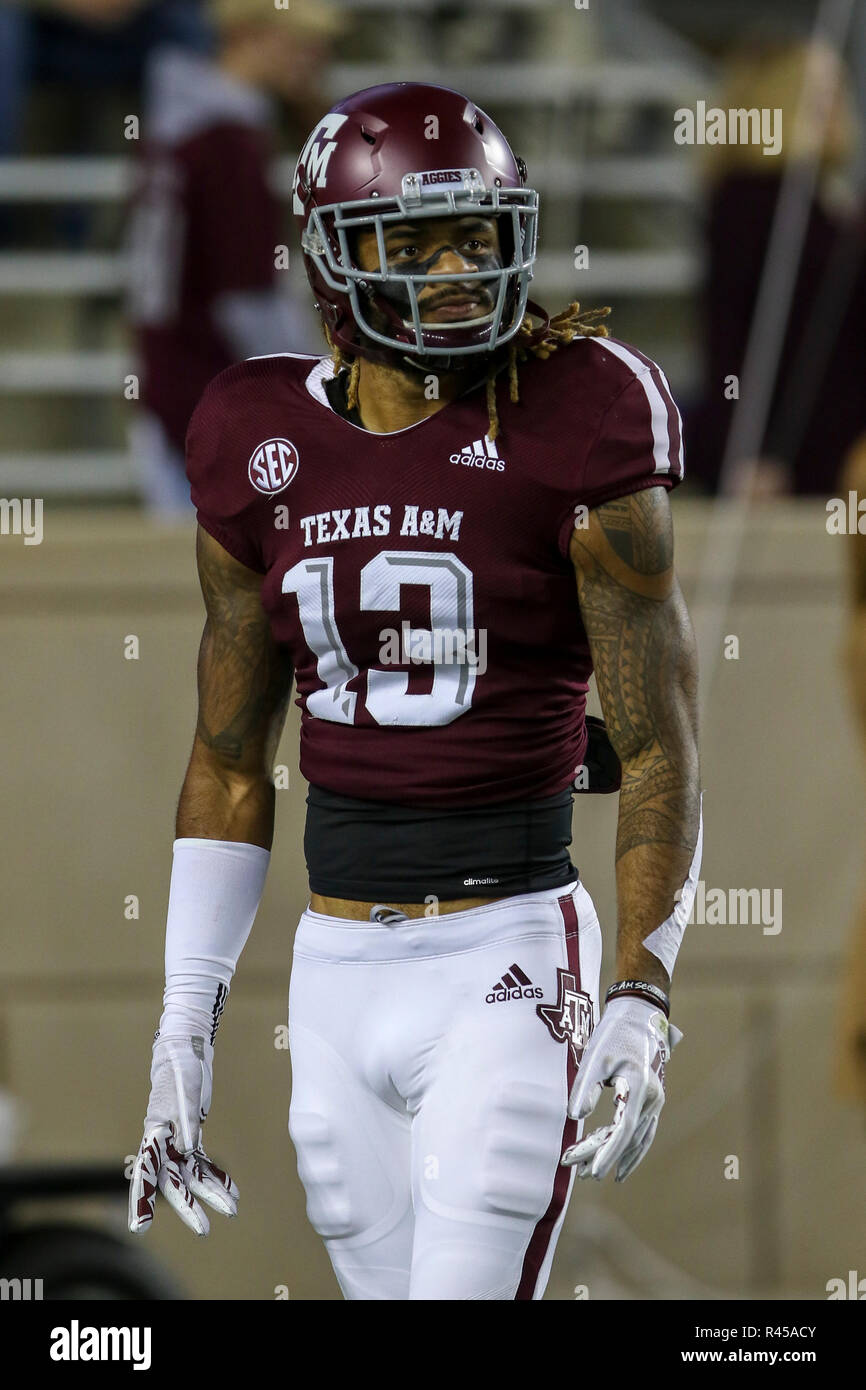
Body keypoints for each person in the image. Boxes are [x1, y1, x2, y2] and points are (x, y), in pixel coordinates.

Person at [127, 81, 703, 1300]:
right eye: (415, 242)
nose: (457, 269)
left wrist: (641, 992)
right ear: (336, 264)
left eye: (477, 235)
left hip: (505, 947)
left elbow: (656, 748)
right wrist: (185, 1016)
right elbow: (230, 753)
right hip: (334, 965)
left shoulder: (582, 414)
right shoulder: (253, 432)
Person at [126, 0, 343, 513]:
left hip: (172, 381)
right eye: (298, 39)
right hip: (216, 400)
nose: (314, 55)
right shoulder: (228, 141)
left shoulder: (175, 126)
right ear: (247, 34)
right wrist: (319, 386)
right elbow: (245, 297)